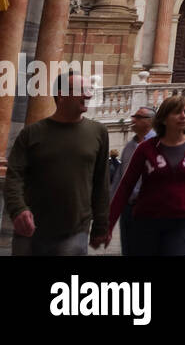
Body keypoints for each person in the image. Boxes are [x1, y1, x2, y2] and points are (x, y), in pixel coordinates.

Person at [4, 72, 110, 256]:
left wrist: (101, 226)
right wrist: (18, 209)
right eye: (82, 90)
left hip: (75, 232)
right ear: (61, 95)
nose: (89, 95)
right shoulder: (31, 134)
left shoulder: (98, 132)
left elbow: (101, 182)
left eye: (89, 90)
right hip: (31, 231)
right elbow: (14, 176)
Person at [107, 94, 185, 256]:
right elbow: (126, 185)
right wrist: (109, 223)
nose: (183, 116)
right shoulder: (146, 148)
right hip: (148, 220)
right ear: (163, 118)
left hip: (182, 221)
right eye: (177, 112)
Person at [111, 105, 156, 255]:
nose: (133, 120)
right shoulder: (129, 146)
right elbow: (120, 177)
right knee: (128, 250)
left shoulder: (159, 145)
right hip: (127, 208)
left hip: (148, 210)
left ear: (150, 121)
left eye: (138, 117)